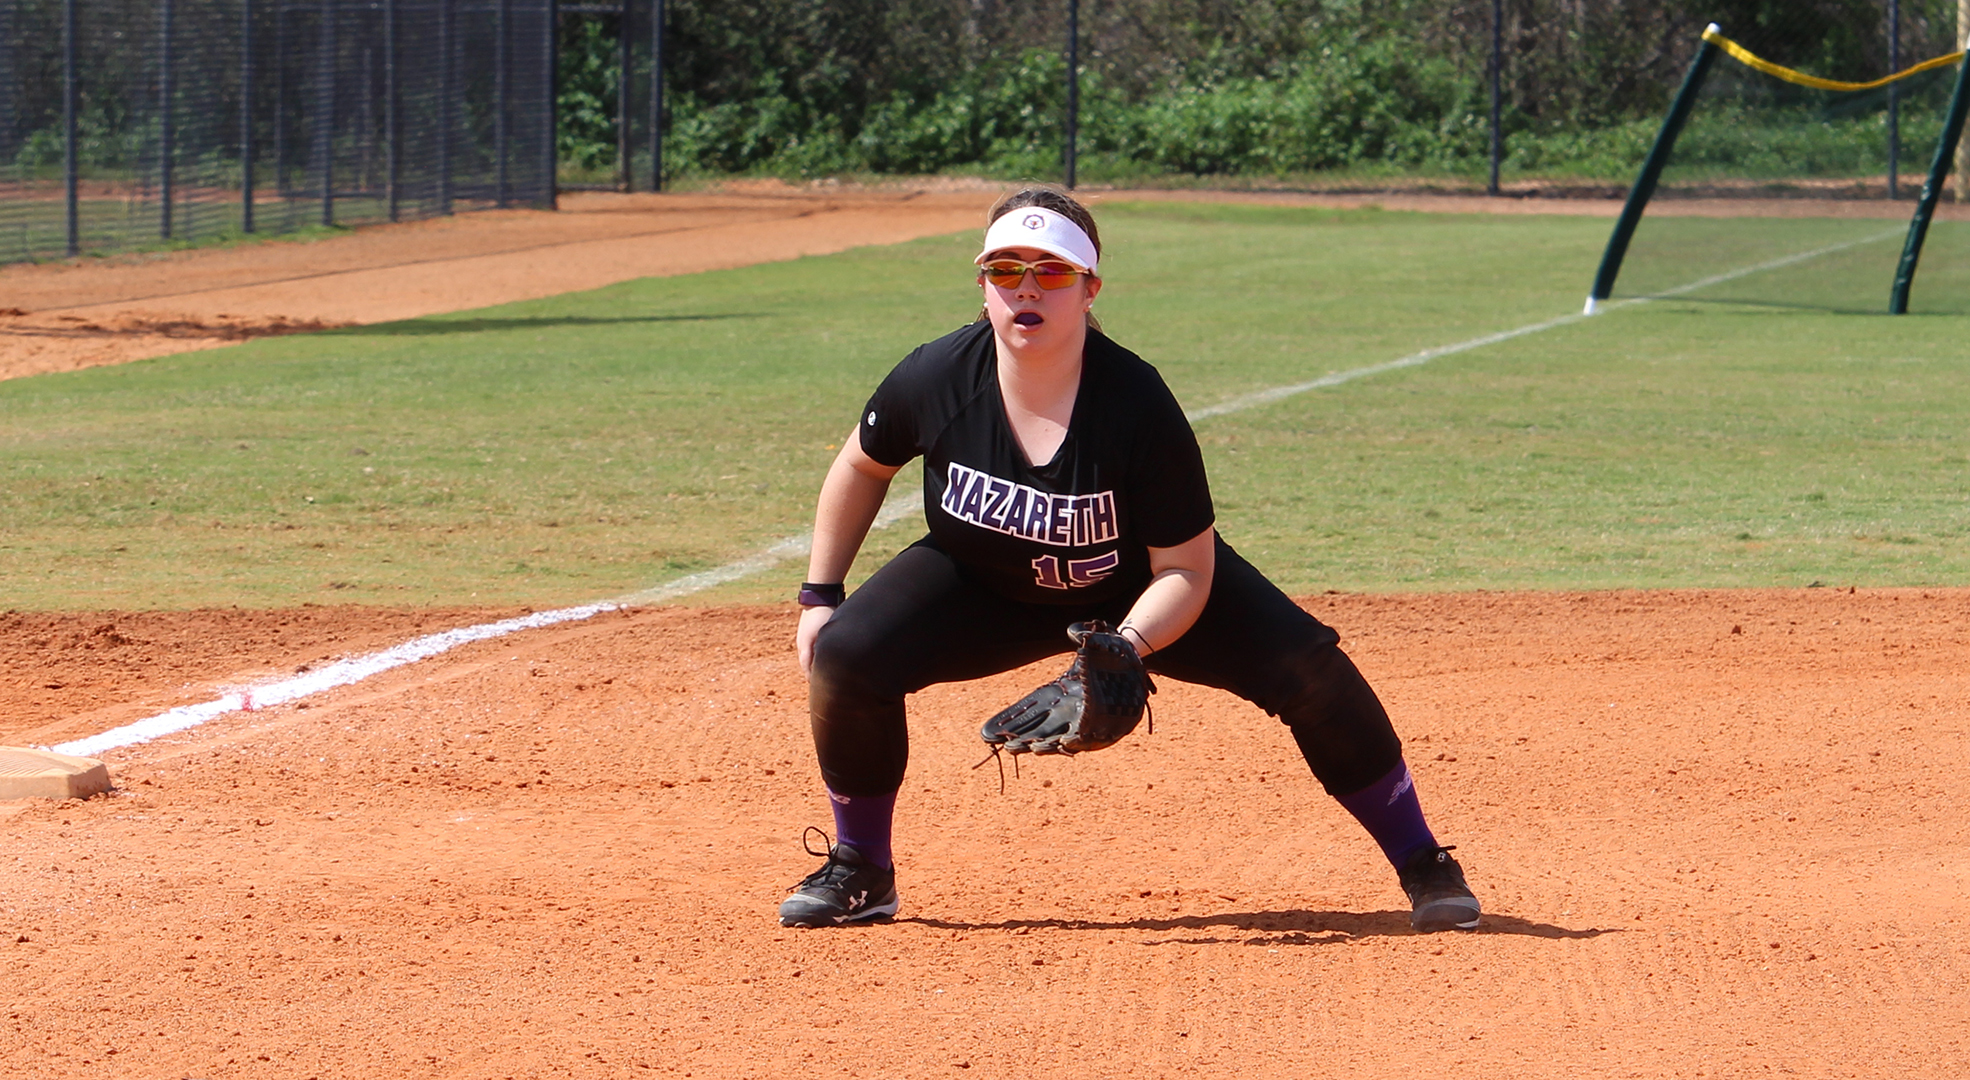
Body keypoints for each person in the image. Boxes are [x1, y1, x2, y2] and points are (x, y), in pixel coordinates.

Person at [780, 187, 1480, 933]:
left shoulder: (1135, 403)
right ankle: (861, 869)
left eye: (1051, 272)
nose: (1026, 287)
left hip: (1135, 588)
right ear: (981, 286)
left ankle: (1424, 862)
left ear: (1089, 291)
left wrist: (1127, 647)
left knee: (1311, 669)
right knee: (847, 653)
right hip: (981, 581)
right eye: (1006, 269)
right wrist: (821, 594)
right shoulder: (937, 377)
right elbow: (862, 466)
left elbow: (1187, 568)